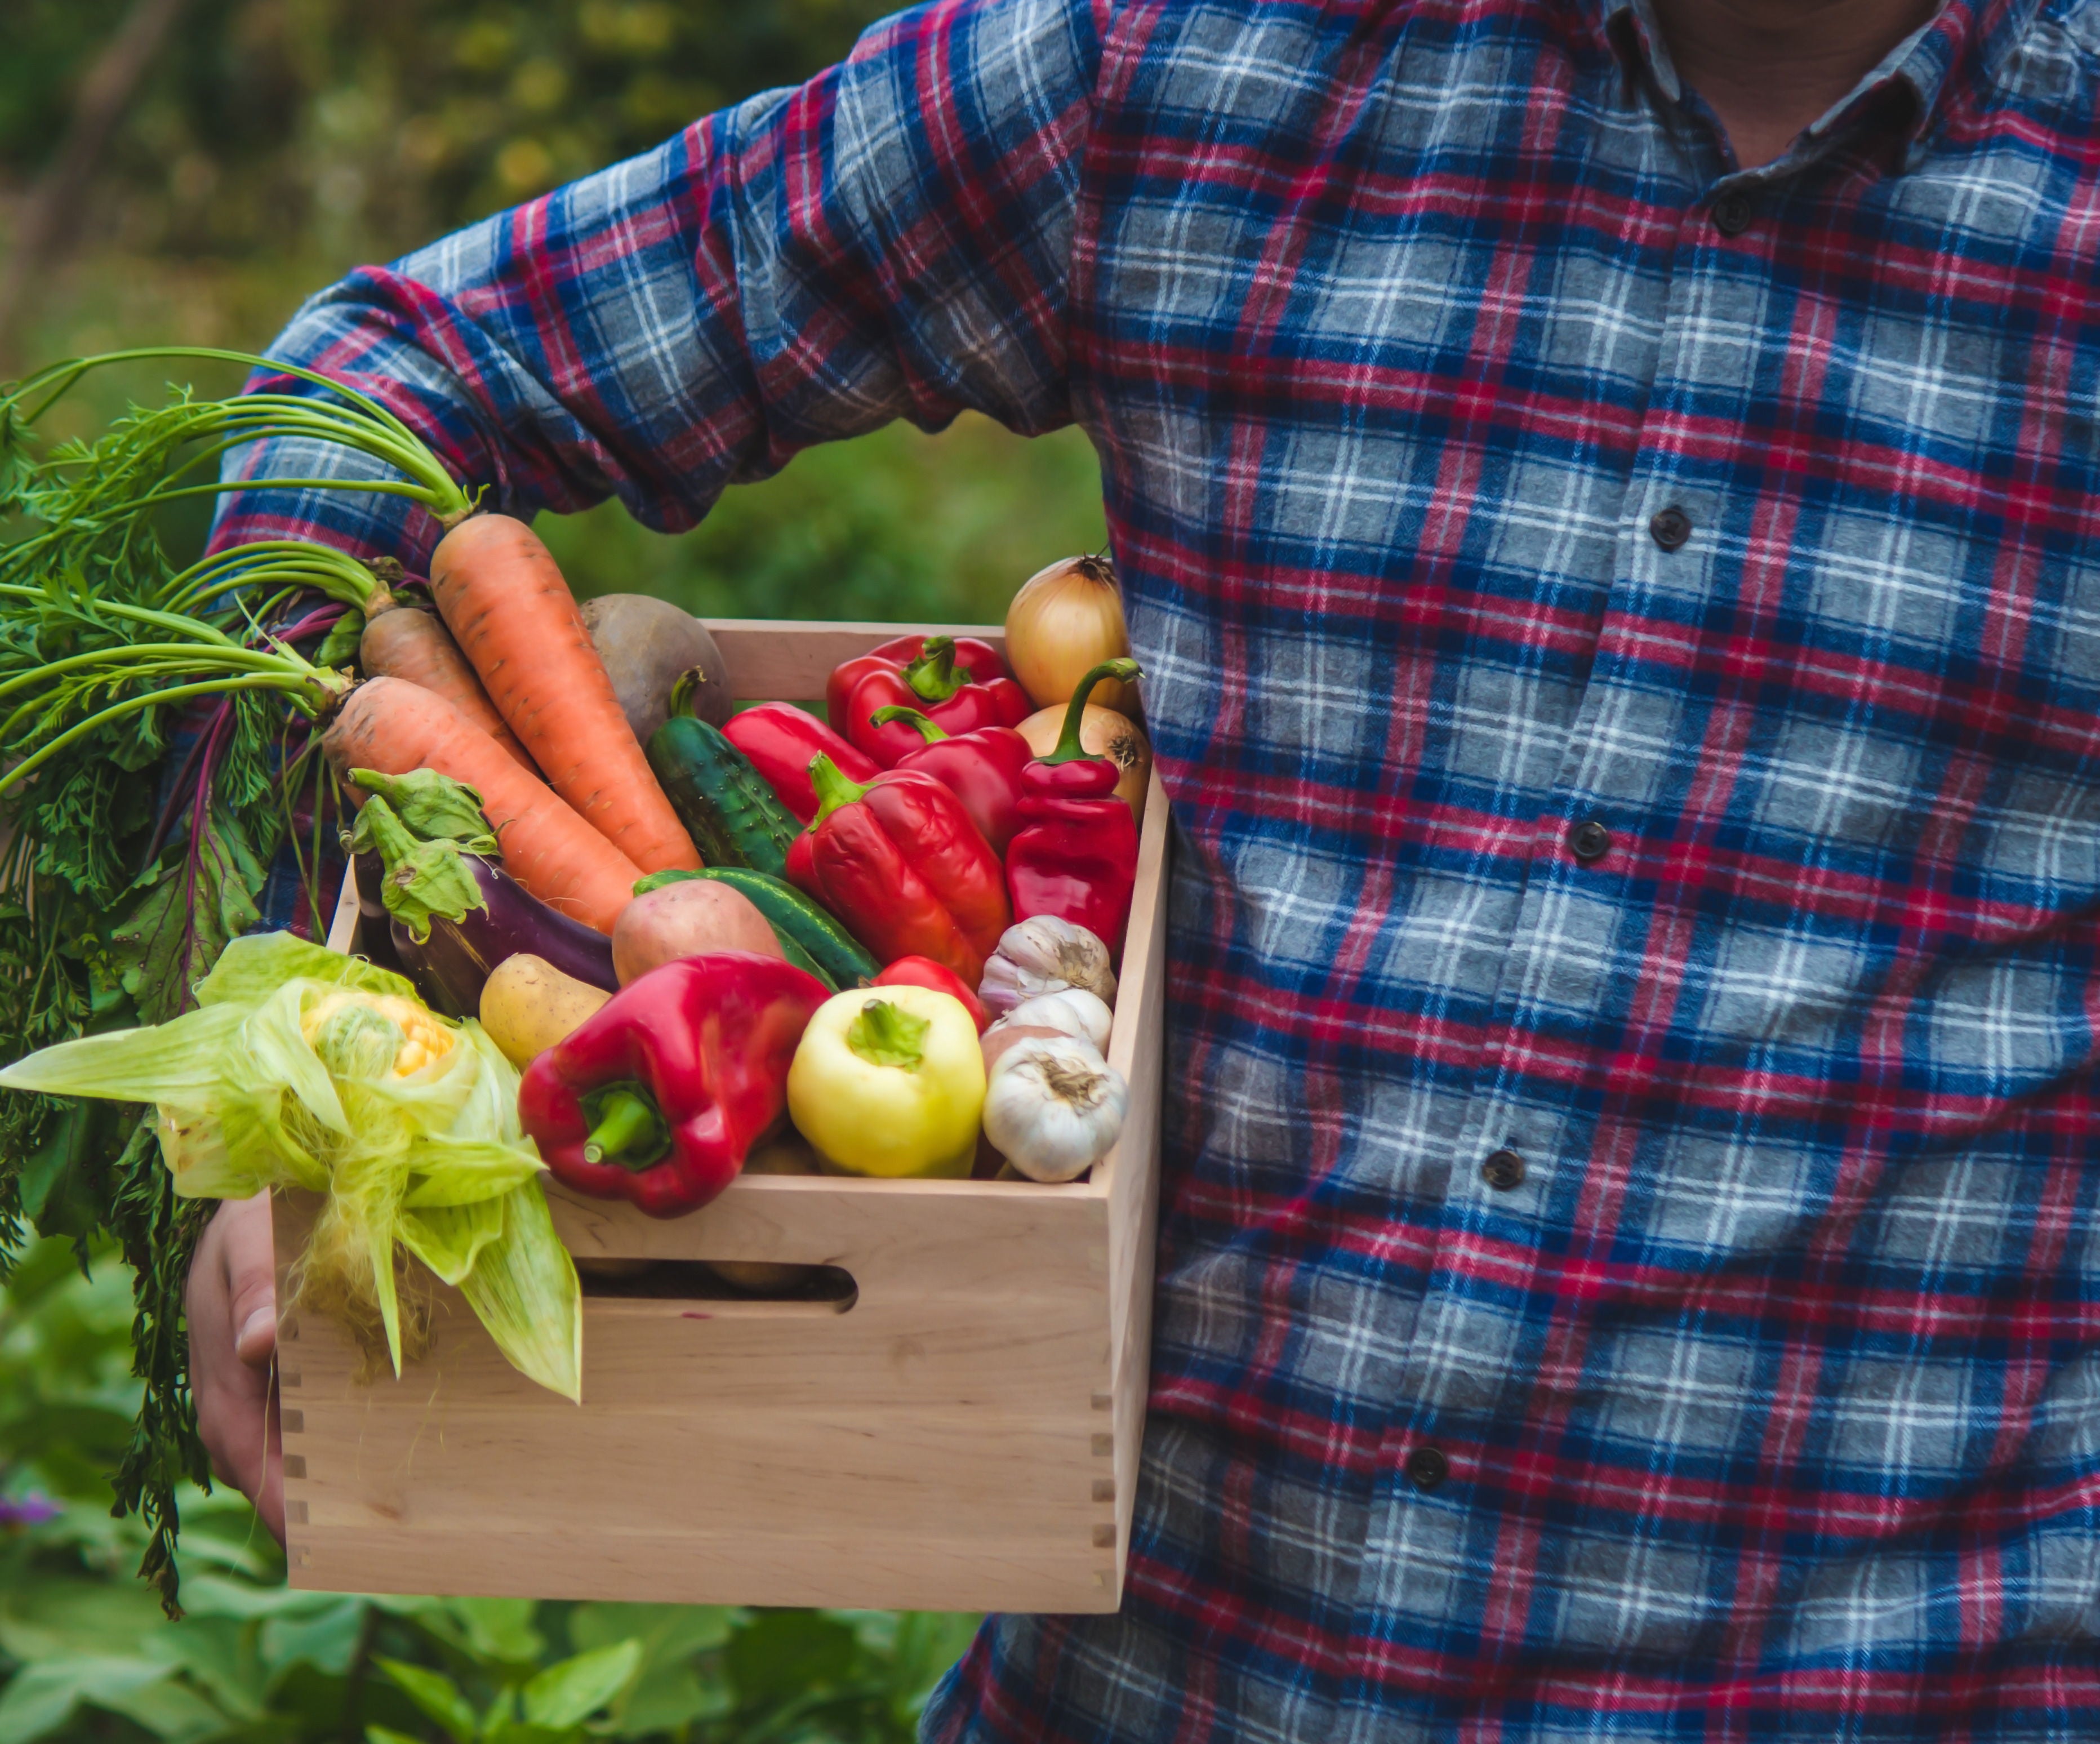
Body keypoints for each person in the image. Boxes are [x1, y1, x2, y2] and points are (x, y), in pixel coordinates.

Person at [185, 0, 2100, 1733]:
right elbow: (381, 372)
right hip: (1178, 1678)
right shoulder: (1179, 66)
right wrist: (298, 1060)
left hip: (1896, 1665)